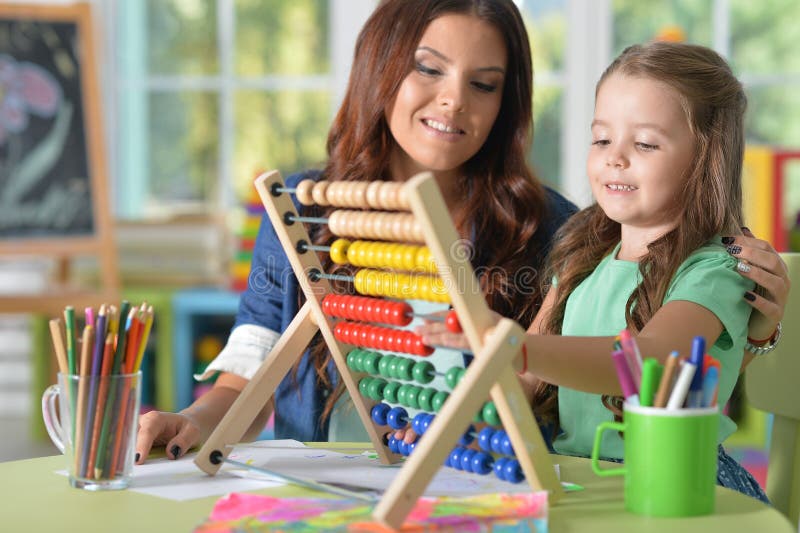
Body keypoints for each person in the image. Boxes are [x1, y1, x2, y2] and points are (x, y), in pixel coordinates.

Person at [135, 2, 788, 465]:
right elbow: (250, 370)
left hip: (480, 488)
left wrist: (761, 328)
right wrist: (190, 425)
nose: (454, 101)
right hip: (330, 490)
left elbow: (631, 339)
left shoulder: (552, 228)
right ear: (381, 68)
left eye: (484, 85)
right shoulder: (305, 213)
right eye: (429, 69)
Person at [418, 41, 775, 501]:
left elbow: (656, 359)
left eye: (645, 143)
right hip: (584, 482)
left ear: (707, 159)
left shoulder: (716, 268)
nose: (615, 157)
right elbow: (525, 382)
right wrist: (454, 429)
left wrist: (516, 347)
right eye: (602, 138)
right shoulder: (580, 256)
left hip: (682, 488)